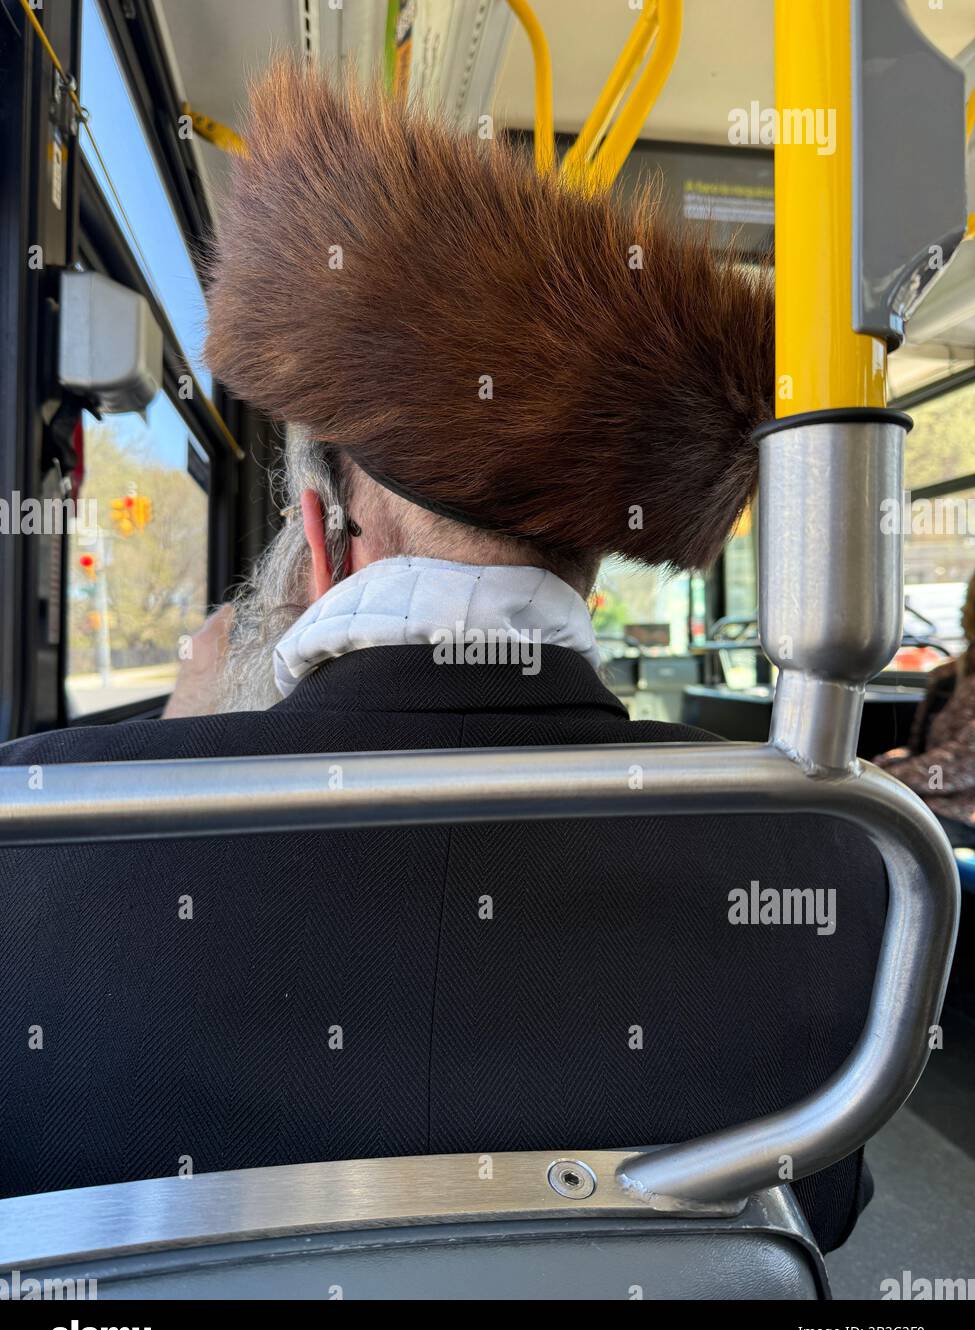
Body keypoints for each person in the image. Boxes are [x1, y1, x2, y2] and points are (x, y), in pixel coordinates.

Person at [0, 61, 887, 1253]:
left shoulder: (43, 841)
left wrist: (169, 747)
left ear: (321, 533)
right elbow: (817, 1214)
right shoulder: (836, 862)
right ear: (593, 560)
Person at [876, 571, 975, 847]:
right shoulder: (947, 676)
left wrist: (887, 780)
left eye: (971, 603)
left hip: (961, 815)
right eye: (967, 602)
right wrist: (882, 766)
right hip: (928, 803)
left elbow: (961, 764)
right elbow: (920, 749)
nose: (963, 611)